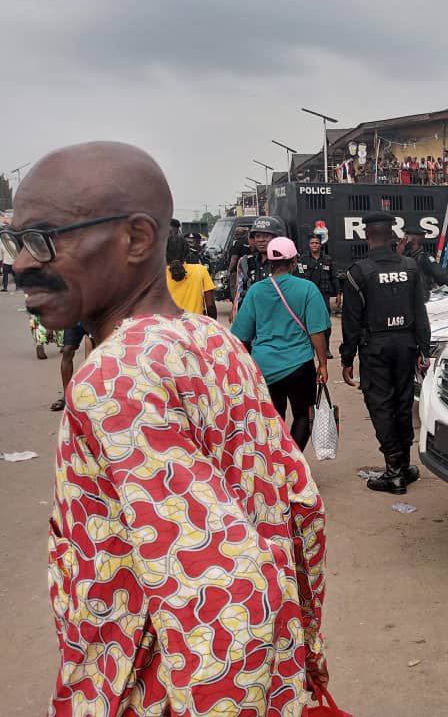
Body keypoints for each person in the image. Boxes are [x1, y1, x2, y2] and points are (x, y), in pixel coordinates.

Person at [4, 142, 327, 712]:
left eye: (44, 239)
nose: (22, 262)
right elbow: (301, 510)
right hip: (275, 678)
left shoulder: (113, 377)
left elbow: (223, 592)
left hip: (154, 690)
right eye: (16, 241)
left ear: (135, 239)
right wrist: (296, 660)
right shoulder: (213, 341)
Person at [341, 212, 430, 494]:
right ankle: (403, 465)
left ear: (367, 236)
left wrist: (347, 358)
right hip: (406, 345)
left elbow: (351, 321)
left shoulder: (359, 272)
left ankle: (393, 472)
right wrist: (423, 349)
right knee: (403, 404)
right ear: (392, 234)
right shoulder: (410, 267)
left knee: (381, 405)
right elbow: (421, 312)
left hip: (376, 348)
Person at [233, 236, 329, 450]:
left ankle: (276, 464)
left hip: (264, 368)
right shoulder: (308, 289)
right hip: (300, 365)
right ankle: (292, 465)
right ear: (294, 261)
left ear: (268, 261)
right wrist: (322, 363)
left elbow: (241, 335)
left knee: (272, 419)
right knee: (303, 415)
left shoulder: (256, 291)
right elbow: (316, 332)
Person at [399, 224, 448, 308]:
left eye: (405, 238)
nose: (402, 240)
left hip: (417, 303)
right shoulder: (405, 256)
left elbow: (444, 277)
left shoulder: (424, 259)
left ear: (413, 241)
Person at [296, 233, 341, 359]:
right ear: (309, 245)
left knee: (325, 323)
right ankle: (308, 349)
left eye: (316, 243)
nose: (314, 245)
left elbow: (334, 277)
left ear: (320, 245)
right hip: (307, 296)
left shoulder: (328, 259)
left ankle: (326, 349)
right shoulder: (303, 259)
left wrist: (338, 292)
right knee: (306, 322)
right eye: (312, 243)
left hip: (323, 295)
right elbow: (298, 278)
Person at [234, 214, 283, 315]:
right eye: (258, 236)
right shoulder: (246, 262)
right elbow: (240, 294)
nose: (261, 240)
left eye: (266, 236)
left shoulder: (285, 262)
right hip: (255, 316)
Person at [165, 233, 217, 318]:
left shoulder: (157, 276)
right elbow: (210, 305)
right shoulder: (200, 270)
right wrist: (211, 324)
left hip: (167, 327)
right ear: (186, 251)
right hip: (194, 327)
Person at [50, 321, 93, 412]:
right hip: (75, 319)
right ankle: (66, 397)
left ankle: (92, 393)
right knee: (67, 350)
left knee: (93, 355)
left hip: (94, 318)